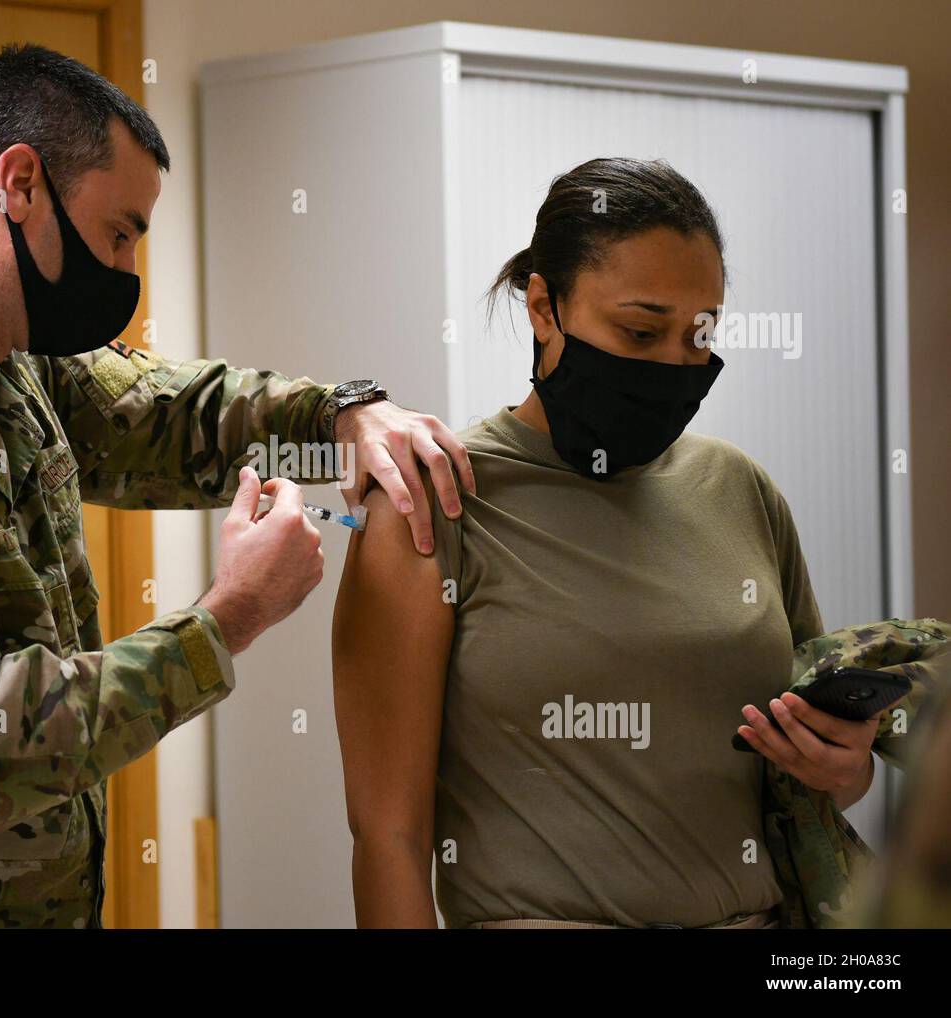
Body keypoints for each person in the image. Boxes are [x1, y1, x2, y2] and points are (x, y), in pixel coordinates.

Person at [0, 43, 473, 929]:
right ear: (19, 186)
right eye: (117, 234)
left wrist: (337, 422)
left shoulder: (7, 368)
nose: (123, 275)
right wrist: (230, 619)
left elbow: (173, 418)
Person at [332, 157, 880, 929]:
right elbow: (388, 836)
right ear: (544, 308)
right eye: (639, 329)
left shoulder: (740, 490)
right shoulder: (434, 503)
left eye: (699, 336)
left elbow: (814, 775)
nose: (675, 365)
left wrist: (845, 768)